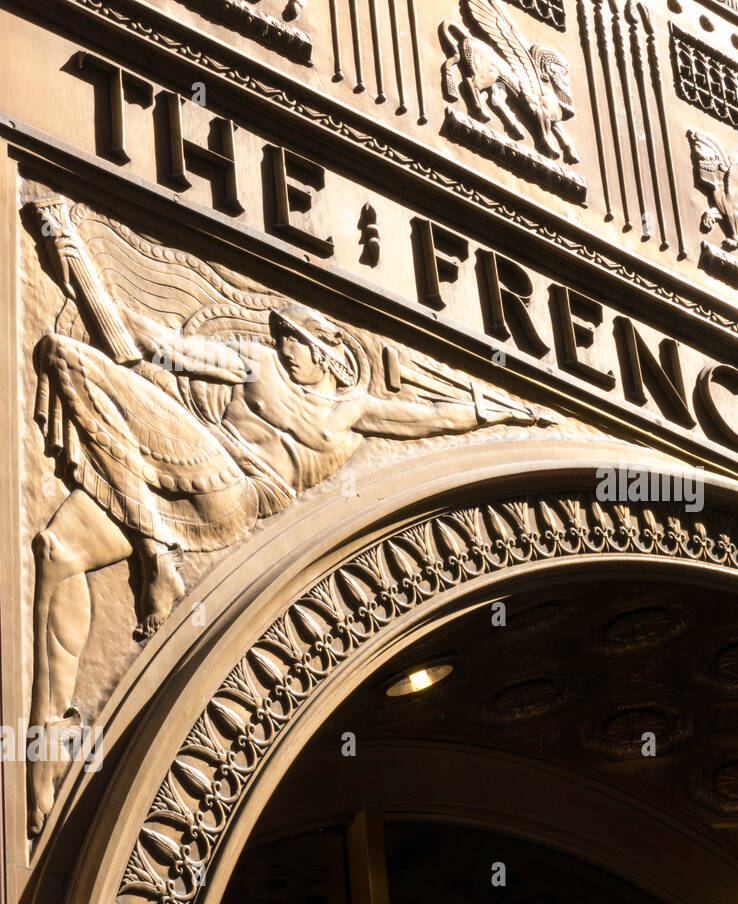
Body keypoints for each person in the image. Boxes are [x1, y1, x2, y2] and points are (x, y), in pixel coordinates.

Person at [25, 196, 545, 832]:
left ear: (326, 352)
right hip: (189, 477)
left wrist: (505, 409)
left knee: (64, 355)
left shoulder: (352, 413)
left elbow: (433, 418)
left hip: (232, 495)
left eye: (293, 338)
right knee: (58, 550)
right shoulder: (257, 364)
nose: (282, 343)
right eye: (282, 335)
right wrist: (71, 256)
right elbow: (150, 344)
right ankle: (47, 745)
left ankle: (157, 555)